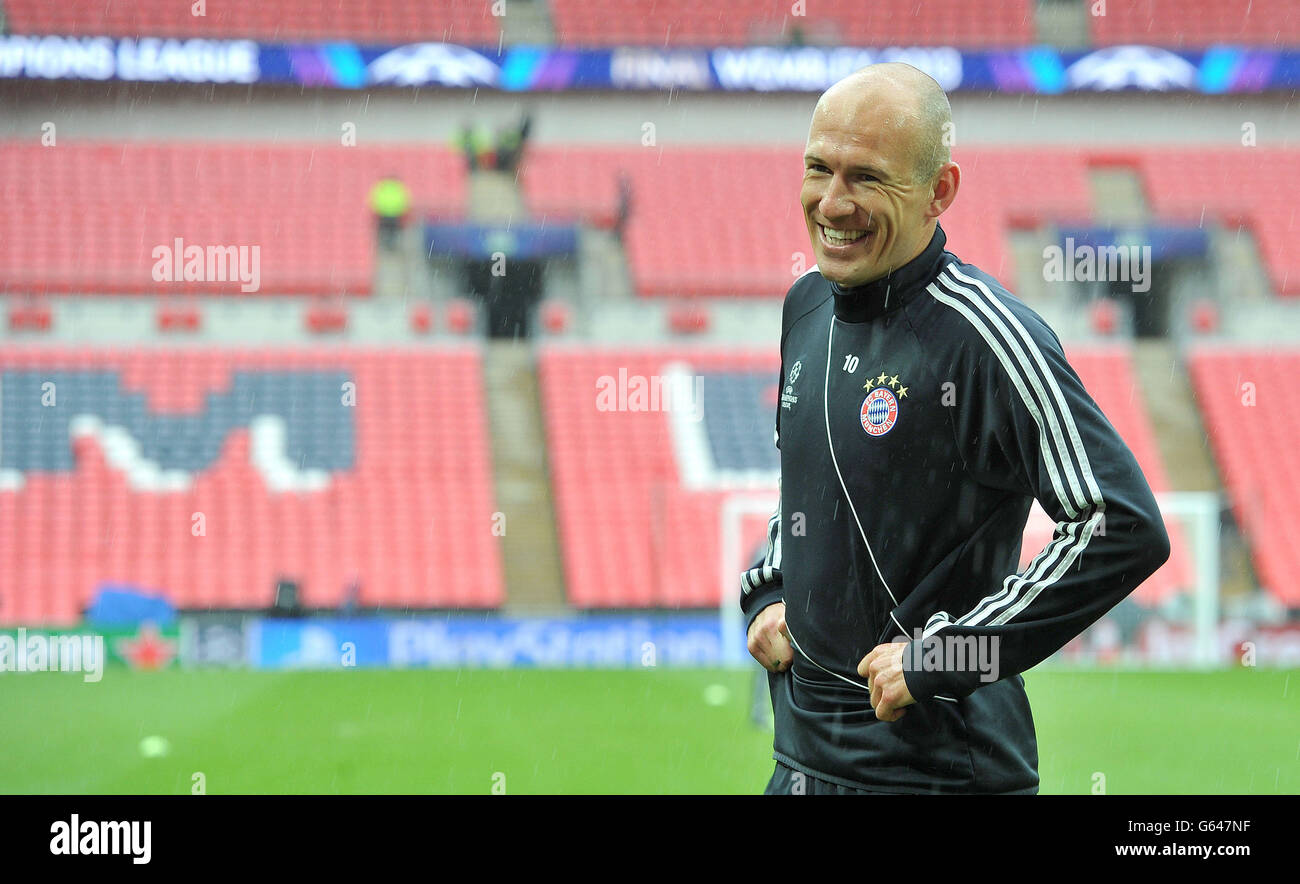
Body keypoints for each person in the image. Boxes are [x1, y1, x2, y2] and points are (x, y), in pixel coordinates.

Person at [740, 63, 1170, 794]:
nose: (832, 203)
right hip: (802, 766)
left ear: (939, 191)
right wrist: (769, 593)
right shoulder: (805, 310)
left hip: (938, 777)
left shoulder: (988, 338)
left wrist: (950, 657)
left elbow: (1121, 523)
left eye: (866, 178)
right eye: (818, 169)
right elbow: (806, 485)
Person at [368, 174, 411, 251]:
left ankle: (386, 247)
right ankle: (393, 248)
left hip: (383, 216)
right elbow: (405, 202)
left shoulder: (382, 187)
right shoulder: (398, 187)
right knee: (395, 235)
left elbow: (374, 202)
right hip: (396, 216)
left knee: (384, 235)